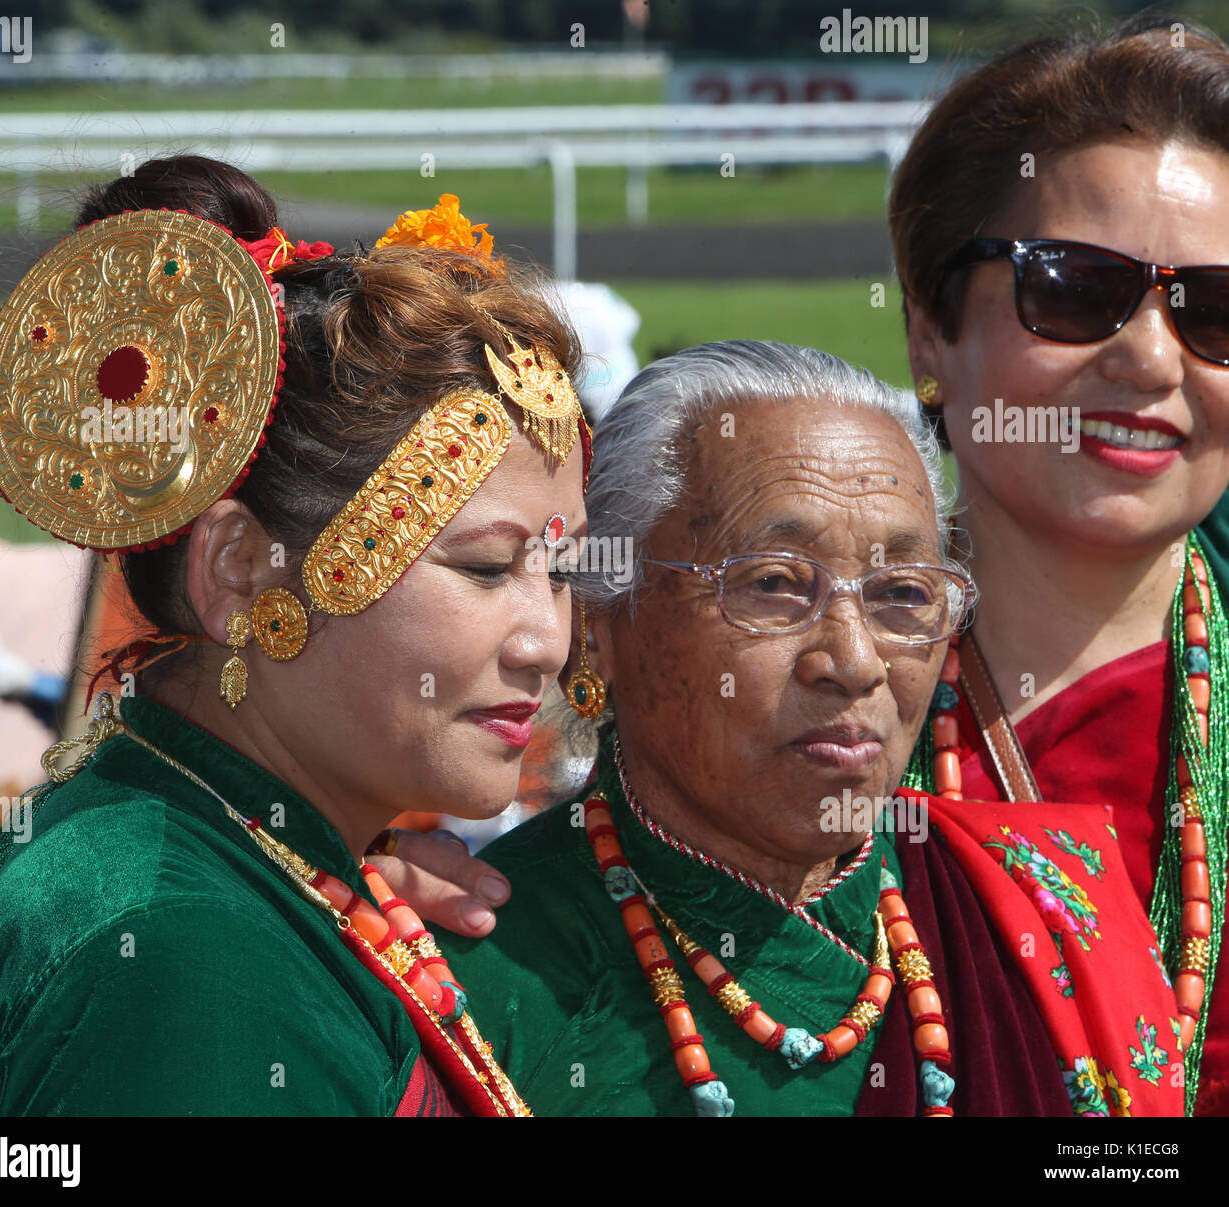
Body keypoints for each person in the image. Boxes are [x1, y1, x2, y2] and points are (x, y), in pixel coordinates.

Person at [0, 156, 588, 1116]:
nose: (546, 641)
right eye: (487, 568)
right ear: (241, 570)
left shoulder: (202, 861)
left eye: (560, 572)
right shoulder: (187, 957)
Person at [440, 341, 1182, 1117]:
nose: (856, 662)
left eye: (903, 591)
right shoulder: (480, 981)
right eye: (772, 584)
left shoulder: (1047, 911)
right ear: (598, 625)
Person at [890, 15, 1229, 1114]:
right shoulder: (781, 714)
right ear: (930, 333)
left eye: (1214, 310)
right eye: (1076, 287)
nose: (1146, 356)